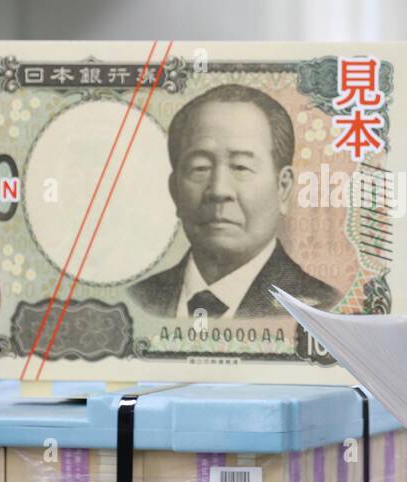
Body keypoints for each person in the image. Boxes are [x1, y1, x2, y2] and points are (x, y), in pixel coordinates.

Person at [129, 83, 340, 319]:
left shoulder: (323, 308)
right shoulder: (140, 299)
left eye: (241, 167)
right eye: (200, 168)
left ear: (283, 188)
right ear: (175, 191)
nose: (218, 190)